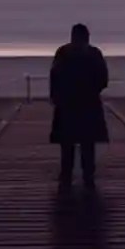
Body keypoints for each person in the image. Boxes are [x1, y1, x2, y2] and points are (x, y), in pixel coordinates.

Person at [49, 23, 109, 186]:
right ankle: (88, 175)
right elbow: (103, 80)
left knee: (66, 142)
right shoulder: (94, 53)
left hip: (66, 104)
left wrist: (56, 97)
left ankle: (66, 174)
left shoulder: (62, 53)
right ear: (87, 37)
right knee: (87, 143)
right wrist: (91, 90)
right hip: (89, 104)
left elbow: (54, 76)